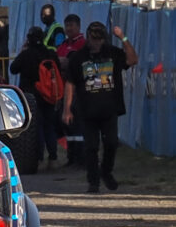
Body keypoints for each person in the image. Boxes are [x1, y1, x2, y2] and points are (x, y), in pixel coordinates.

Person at [61, 21, 138, 193]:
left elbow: (133, 60)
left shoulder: (113, 53)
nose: (95, 43)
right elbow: (70, 84)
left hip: (109, 108)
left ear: (104, 39)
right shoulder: (79, 58)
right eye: (92, 39)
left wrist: (123, 38)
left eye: (99, 39)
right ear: (87, 38)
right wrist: (67, 110)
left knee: (111, 143)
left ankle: (106, 172)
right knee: (91, 147)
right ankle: (93, 182)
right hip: (87, 110)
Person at [9, 26, 63, 169]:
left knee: (34, 127)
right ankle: (53, 158)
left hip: (30, 97)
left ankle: (37, 159)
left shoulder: (26, 55)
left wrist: (22, 51)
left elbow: (13, 69)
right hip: (49, 95)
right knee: (50, 126)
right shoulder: (50, 54)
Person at [55, 14, 86, 165]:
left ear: (78, 27)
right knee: (67, 126)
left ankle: (80, 158)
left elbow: (73, 63)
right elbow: (57, 61)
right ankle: (71, 156)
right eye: (67, 26)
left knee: (78, 125)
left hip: (78, 90)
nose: (69, 29)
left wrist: (66, 62)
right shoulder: (63, 45)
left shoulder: (82, 44)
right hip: (63, 89)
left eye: (72, 26)